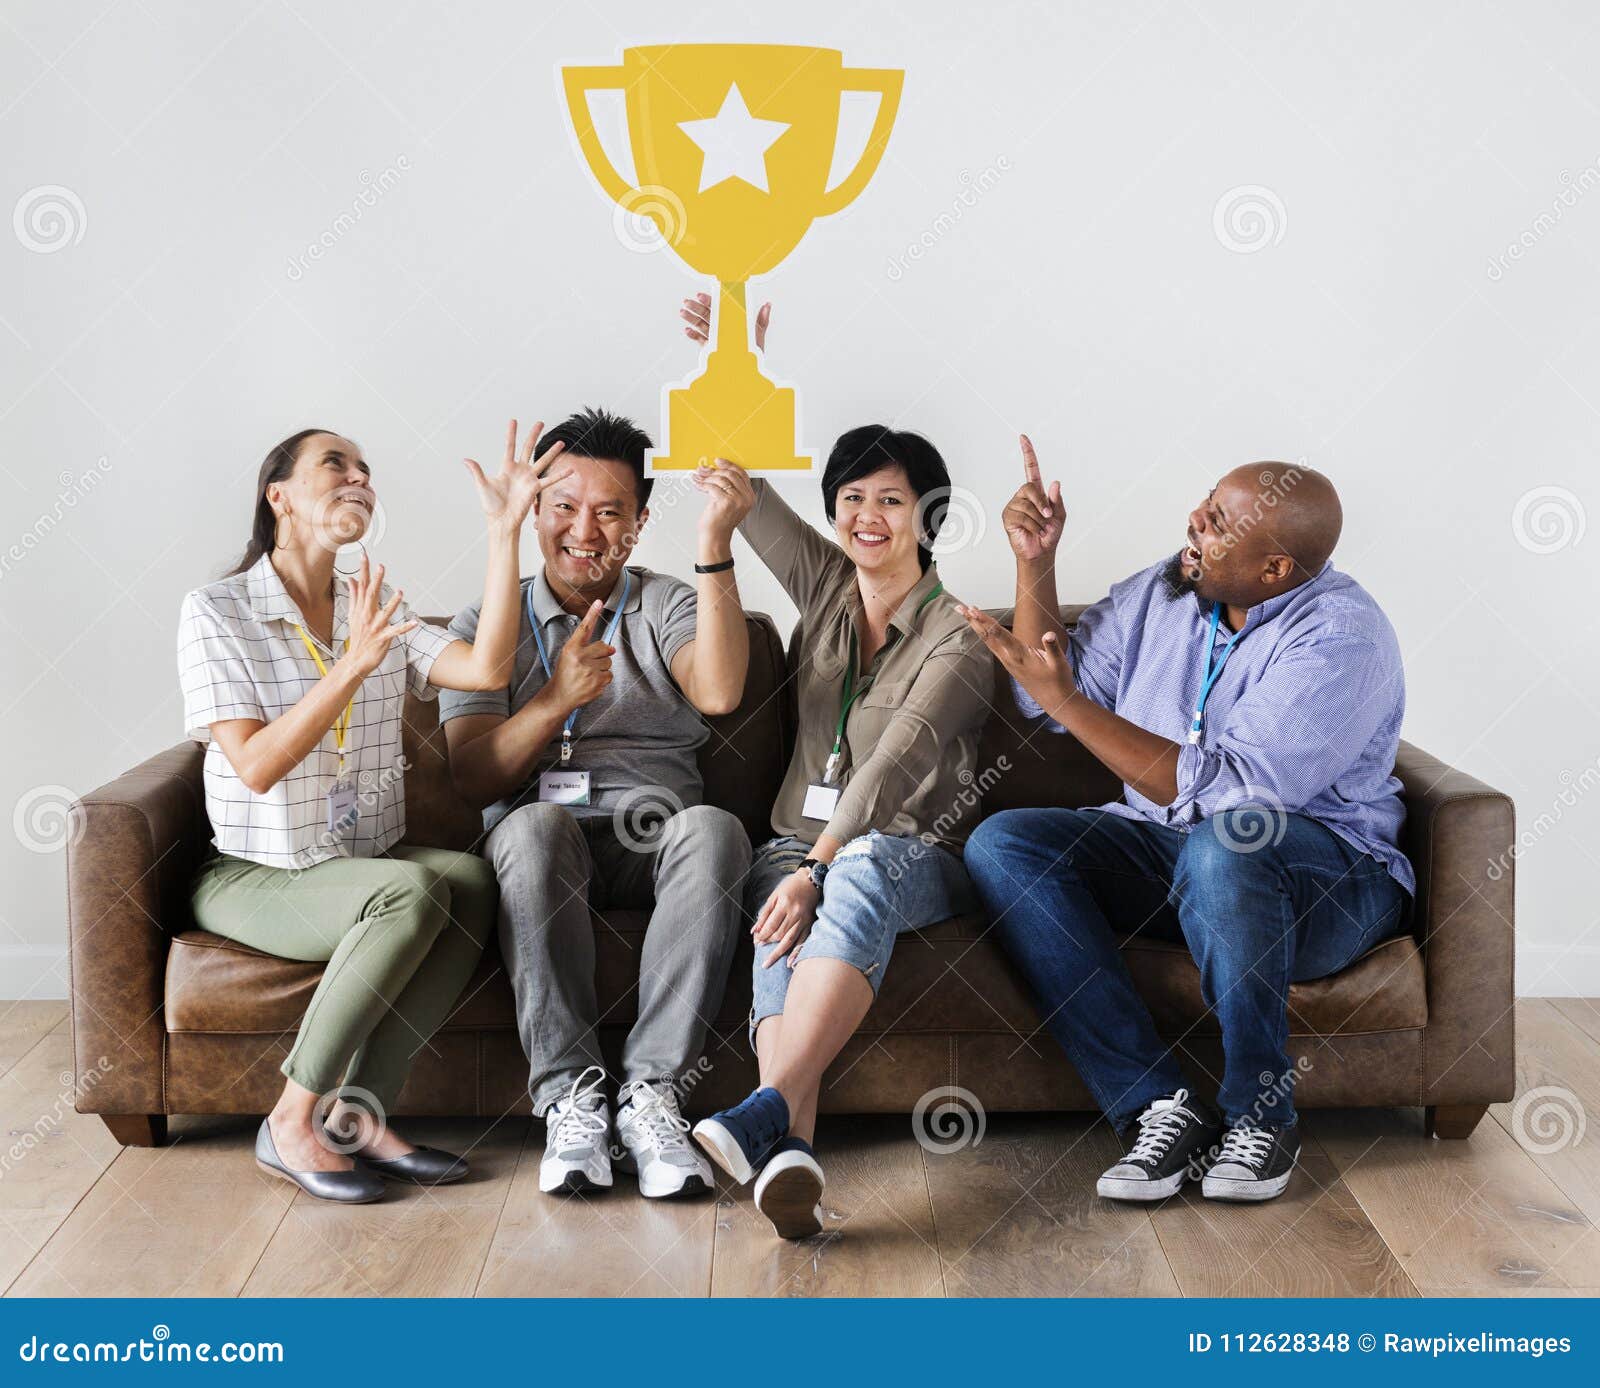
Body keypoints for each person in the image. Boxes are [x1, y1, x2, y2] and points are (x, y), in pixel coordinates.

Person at [960, 439, 1412, 1205]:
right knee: (1006, 844)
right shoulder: (1164, 591)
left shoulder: (1340, 636)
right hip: (1181, 853)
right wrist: (1034, 559)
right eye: (1207, 503)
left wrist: (1075, 703)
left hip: (1328, 881)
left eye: (1220, 522)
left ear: (1274, 572)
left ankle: (1261, 1117)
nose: (1194, 522)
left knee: (1227, 844)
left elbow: (1233, 796)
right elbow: (1045, 692)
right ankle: (1155, 1107)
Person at [679, 289, 994, 1241]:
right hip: (793, 849)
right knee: (781, 915)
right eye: (852, 499)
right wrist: (735, 358)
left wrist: (820, 863)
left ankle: (767, 1110)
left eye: (891, 500)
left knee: (844, 870)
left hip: (906, 851)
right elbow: (738, 479)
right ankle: (791, 1160)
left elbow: (896, 763)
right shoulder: (822, 585)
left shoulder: (963, 636)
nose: (868, 516)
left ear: (927, 517)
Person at [180, 420, 562, 1202]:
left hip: (350, 864)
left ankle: (357, 1115)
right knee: (411, 891)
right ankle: (290, 1121)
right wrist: (351, 668)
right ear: (278, 495)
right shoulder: (217, 611)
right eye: (335, 464)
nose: (358, 476)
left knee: (469, 881)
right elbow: (253, 765)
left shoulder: (372, 604)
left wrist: (503, 532)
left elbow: (484, 665)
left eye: (365, 467)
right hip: (257, 874)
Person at [440, 407, 755, 1200]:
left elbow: (718, 690)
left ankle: (653, 1097)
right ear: (536, 513)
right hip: (545, 849)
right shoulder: (489, 625)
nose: (586, 530)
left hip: (657, 844)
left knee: (714, 828)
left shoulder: (665, 604)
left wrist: (715, 544)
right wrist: (551, 703)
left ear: (640, 523)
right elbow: (475, 778)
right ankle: (571, 1100)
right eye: (565, 508)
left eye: (611, 511)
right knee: (533, 823)